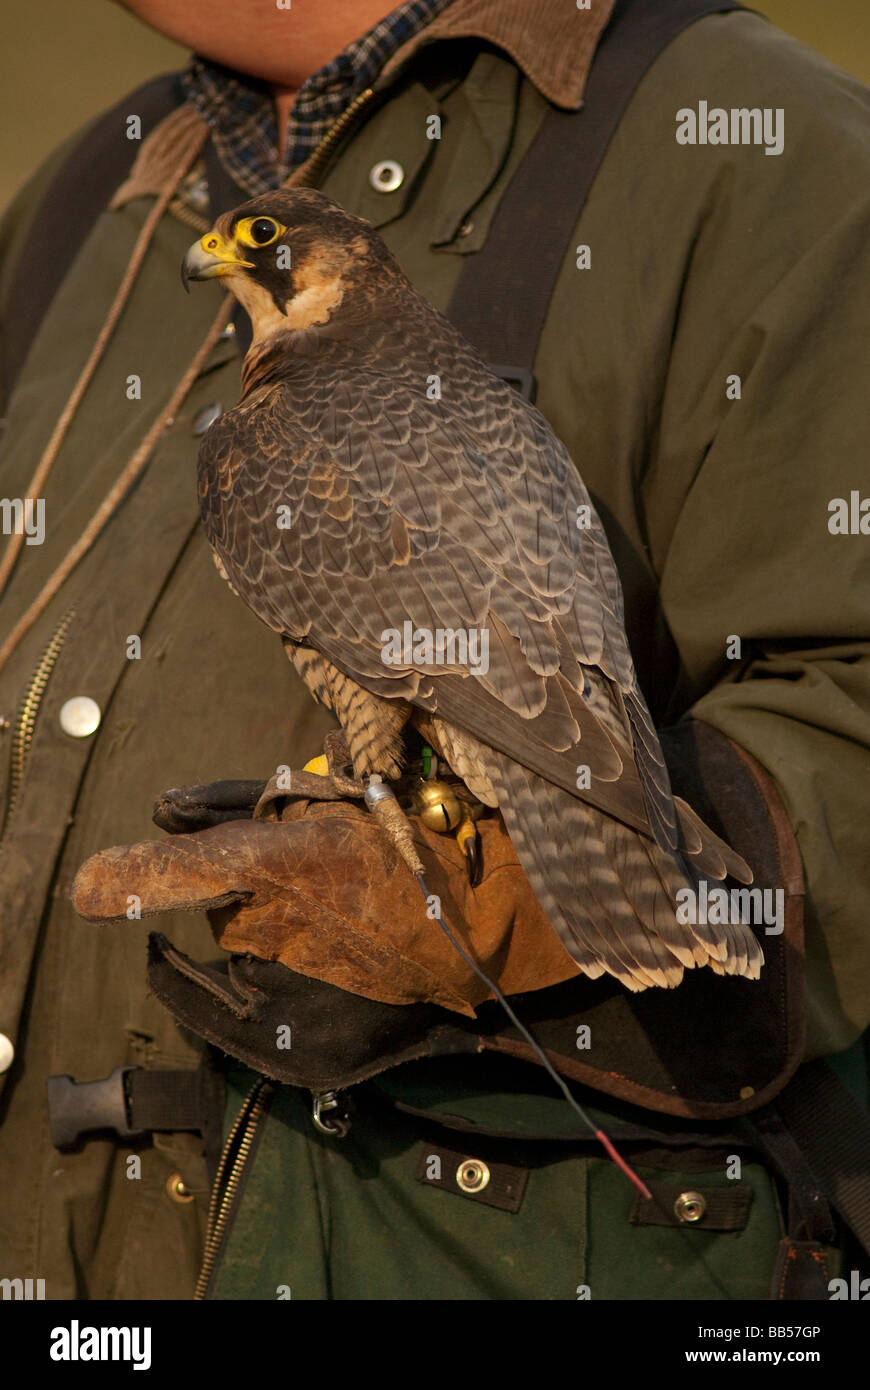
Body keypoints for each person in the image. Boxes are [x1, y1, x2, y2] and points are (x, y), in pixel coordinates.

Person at [1, 0, 869, 1301]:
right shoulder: (85, 192)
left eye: (250, 247)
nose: (217, 257)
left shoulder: (761, 154)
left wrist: (526, 891)